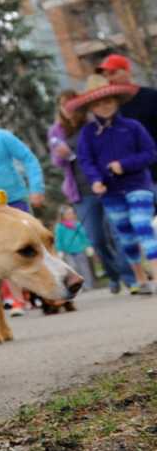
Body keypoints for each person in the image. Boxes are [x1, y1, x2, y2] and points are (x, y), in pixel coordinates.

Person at [71, 73, 157, 291]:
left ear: (117, 101)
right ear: (91, 107)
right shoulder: (87, 134)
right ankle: (140, 279)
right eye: (98, 104)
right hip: (110, 192)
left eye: (108, 101)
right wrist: (96, 180)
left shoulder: (133, 126)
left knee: (142, 225)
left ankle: (155, 272)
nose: (104, 106)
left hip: (139, 184)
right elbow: (85, 160)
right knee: (126, 235)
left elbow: (150, 153)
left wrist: (125, 164)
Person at [49, 86, 138, 292]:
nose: (68, 109)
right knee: (97, 239)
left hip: (107, 185)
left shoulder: (93, 124)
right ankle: (114, 274)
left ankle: (129, 276)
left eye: (72, 103)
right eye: (64, 105)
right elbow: (57, 162)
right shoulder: (56, 131)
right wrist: (62, 154)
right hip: (80, 191)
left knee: (118, 232)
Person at [99, 54, 157, 139]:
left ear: (127, 72)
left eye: (113, 73)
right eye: (105, 76)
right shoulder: (109, 107)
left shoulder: (151, 97)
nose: (109, 79)